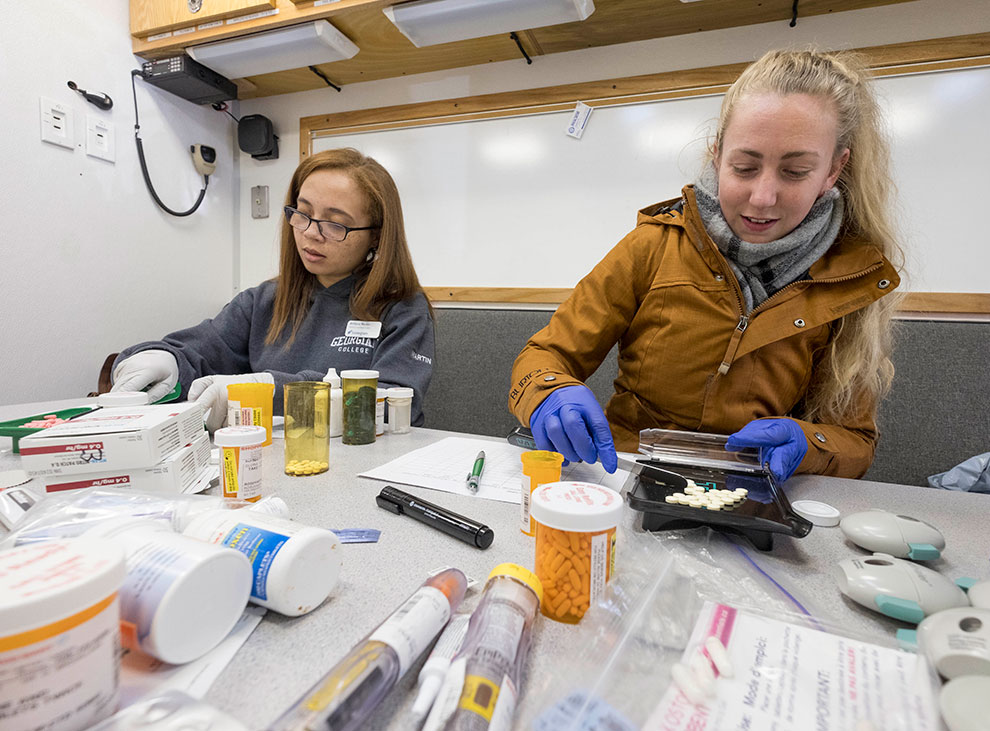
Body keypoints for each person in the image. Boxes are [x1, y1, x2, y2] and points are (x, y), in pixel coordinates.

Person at [509, 49, 904, 481]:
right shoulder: (652, 246)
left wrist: (808, 443)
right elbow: (545, 356)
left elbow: (856, 441)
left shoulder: (850, 280)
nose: (762, 198)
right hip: (626, 477)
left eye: (795, 172)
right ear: (717, 155)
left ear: (833, 169)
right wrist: (550, 393)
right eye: (744, 167)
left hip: (750, 491)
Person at [112, 148, 434, 430]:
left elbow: (392, 406)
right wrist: (163, 360)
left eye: (335, 224)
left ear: (376, 235)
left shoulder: (402, 308)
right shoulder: (263, 302)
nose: (311, 233)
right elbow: (199, 351)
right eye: (303, 214)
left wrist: (271, 391)